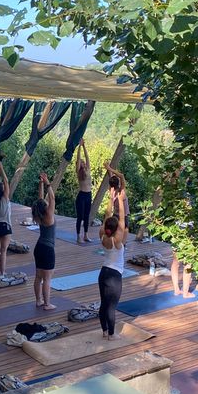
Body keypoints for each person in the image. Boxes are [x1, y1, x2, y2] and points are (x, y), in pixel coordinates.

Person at [97, 186, 128, 339]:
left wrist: (111, 199)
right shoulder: (117, 239)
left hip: (103, 273)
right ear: (116, 229)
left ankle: (104, 331)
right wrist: (121, 201)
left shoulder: (103, 235)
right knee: (111, 306)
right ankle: (111, 334)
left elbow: (107, 216)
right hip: (114, 276)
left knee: (103, 304)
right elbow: (122, 218)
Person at [32, 172, 57, 310]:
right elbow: (52, 198)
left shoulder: (39, 214)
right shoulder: (48, 215)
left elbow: (40, 200)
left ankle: (38, 301)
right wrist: (47, 182)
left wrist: (40, 183)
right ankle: (47, 304)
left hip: (39, 247)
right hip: (47, 249)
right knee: (47, 278)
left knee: (38, 277)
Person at [75, 140, 93, 243]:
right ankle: (78, 236)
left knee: (86, 216)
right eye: (80, 162)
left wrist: (84, 145)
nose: (82, 162)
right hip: (81, 195)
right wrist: (79, 147)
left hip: (88, 194)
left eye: (82, 162)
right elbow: (79, 158)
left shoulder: (88, 169)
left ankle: (86, 235)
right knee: (80, 216)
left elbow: (87, 157)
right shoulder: (79, 172)